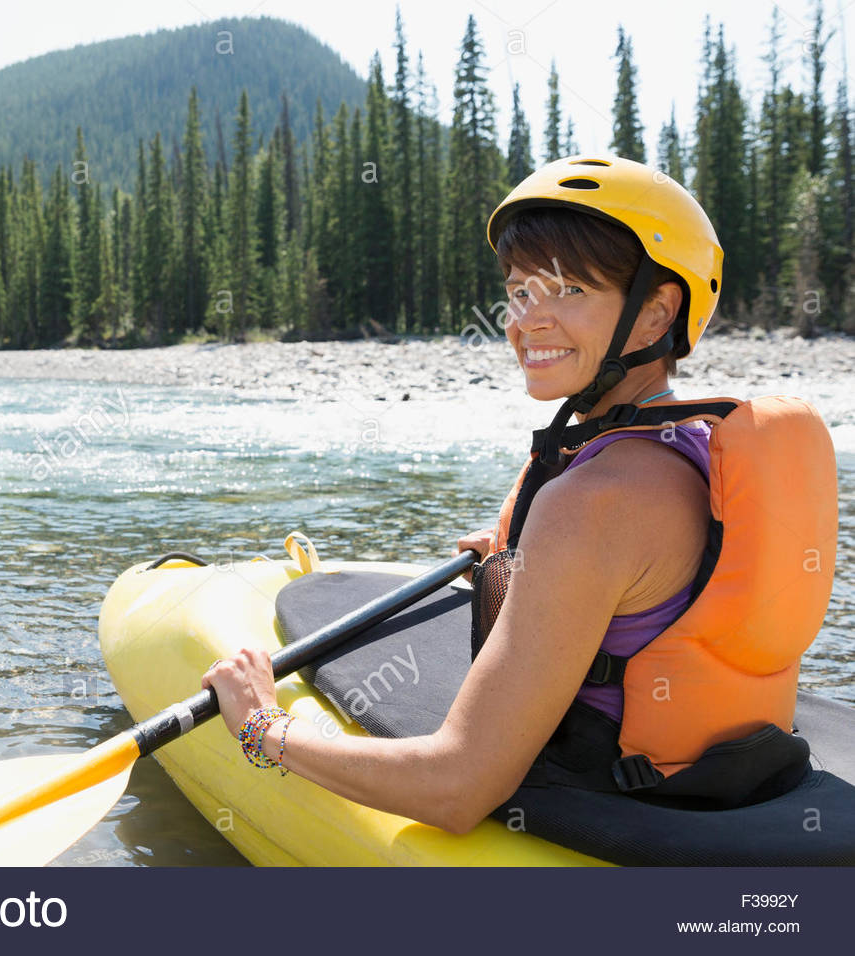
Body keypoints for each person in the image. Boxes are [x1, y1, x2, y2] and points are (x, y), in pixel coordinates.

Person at [202, 155, 823, 832]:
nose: (529, 320)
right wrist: (527, 565)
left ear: (655, 314)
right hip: (716, 774)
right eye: (521, 291)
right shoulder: (691, 448)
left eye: (571, 291)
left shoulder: (597, 499)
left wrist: (264, 726)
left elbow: (458, 790)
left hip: (617, 792)